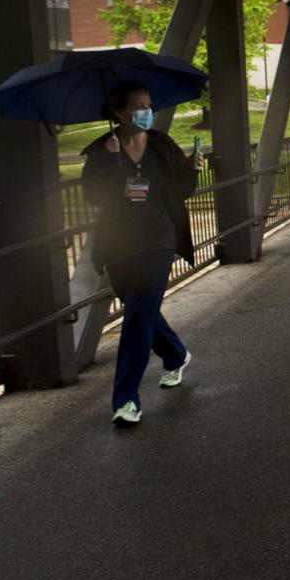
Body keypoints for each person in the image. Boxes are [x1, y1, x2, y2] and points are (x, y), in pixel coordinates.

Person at [81, 83, 203, 427]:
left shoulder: (162, 145)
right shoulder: (102, 150)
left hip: (158, 239)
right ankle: (176, 354)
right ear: (119, 112)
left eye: (148, 105)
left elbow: (181, 190)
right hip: (119, 243)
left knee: (136, 316)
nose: (146, 111)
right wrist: (108, 161)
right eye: (138, 105)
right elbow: (92, 195)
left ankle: (125, 400)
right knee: (140, 309)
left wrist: (192, 168)